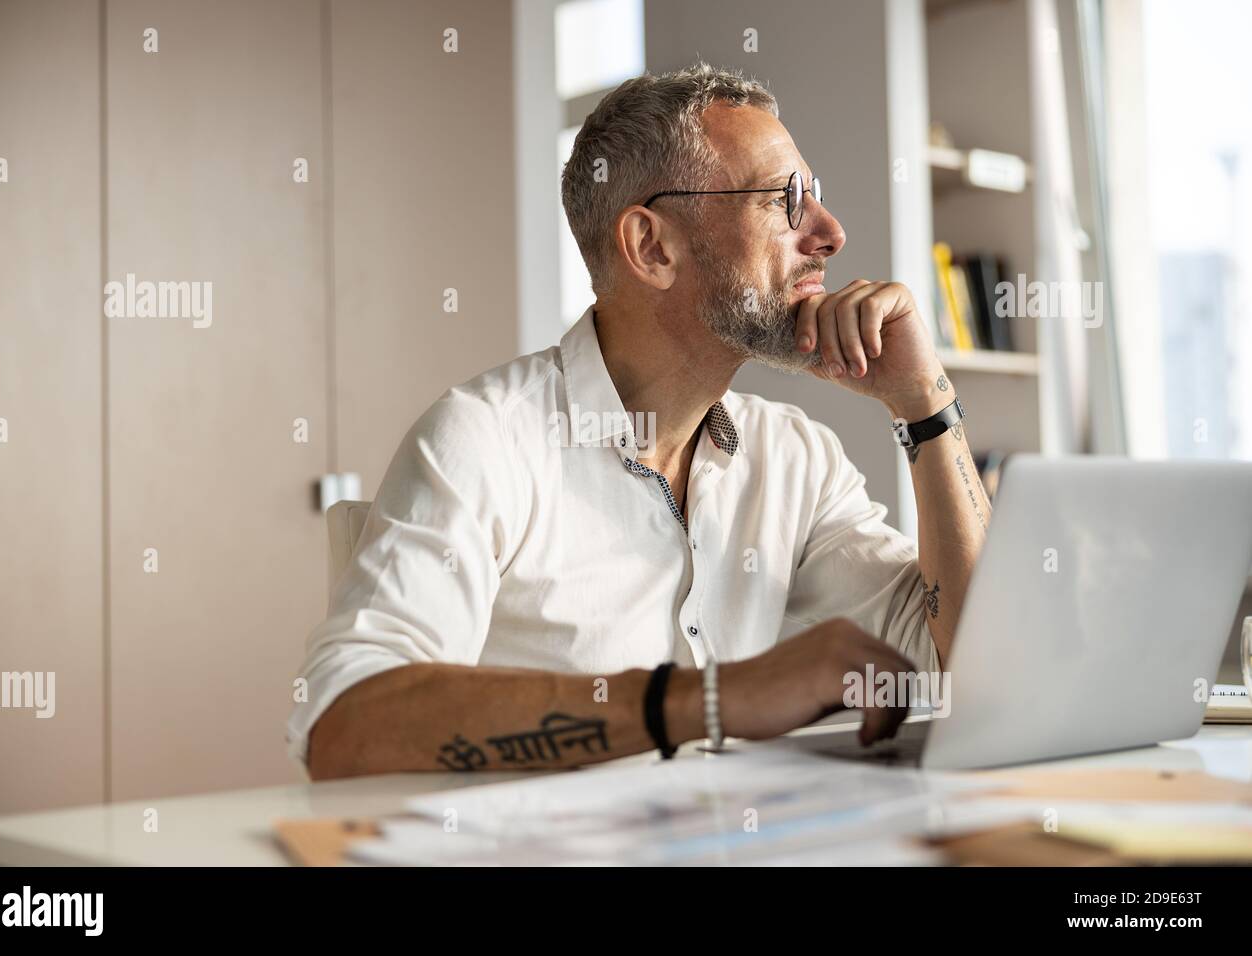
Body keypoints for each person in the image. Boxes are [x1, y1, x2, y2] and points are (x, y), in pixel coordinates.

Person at [290, 62, 991, 779]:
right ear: (653, 247)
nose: (830, 233)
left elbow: (975, 668)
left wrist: (926, 406)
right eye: (785, 198)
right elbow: (343, 721)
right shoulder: (483, 441)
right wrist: (707, 702)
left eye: (816, 197)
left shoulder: (796, 461)